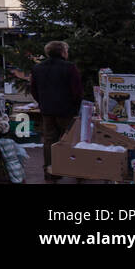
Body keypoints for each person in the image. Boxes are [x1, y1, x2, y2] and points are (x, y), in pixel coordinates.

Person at [30, 40, 83, 181]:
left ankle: (50, 171)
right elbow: (76, 91)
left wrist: (42, 102)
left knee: (49, 140)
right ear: (63, 52)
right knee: (71, 140)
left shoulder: (38, 68)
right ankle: (75, 171)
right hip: (67, 110)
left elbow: (33, 90)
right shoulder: (70, 67)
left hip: (47, 110)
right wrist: (76, 106)